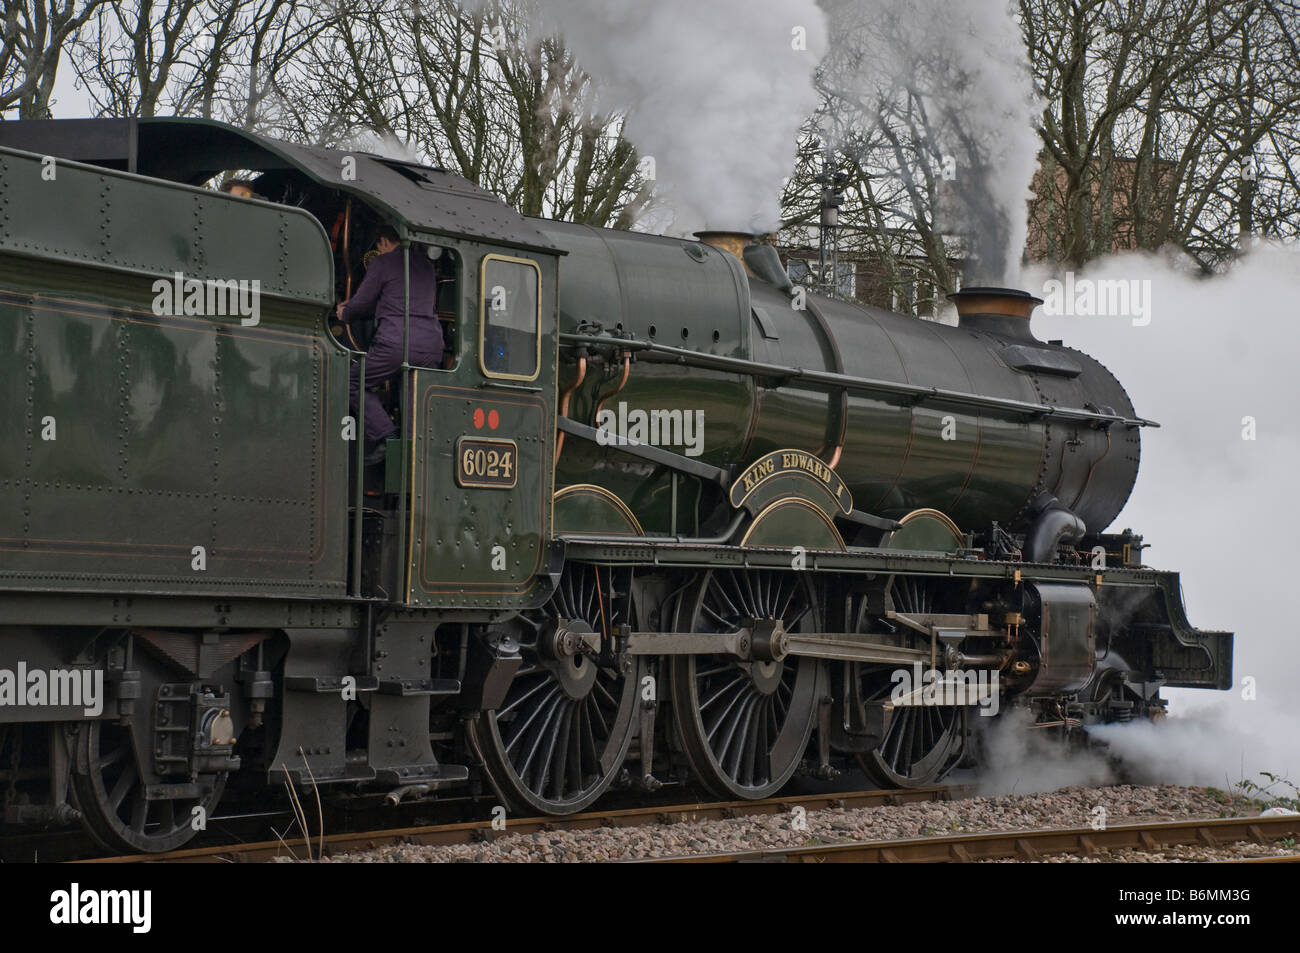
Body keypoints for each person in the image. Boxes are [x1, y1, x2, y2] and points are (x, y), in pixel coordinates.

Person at [338, 225, 442, 466]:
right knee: (412, 395)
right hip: (431, 344)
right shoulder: (427, 266)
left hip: (397, 342)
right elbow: (404, 302)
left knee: (351, 381)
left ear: (384, 241)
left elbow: (362, 304)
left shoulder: (382, 263)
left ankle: (386, 434)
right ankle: (409, 456)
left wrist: (345, 312)